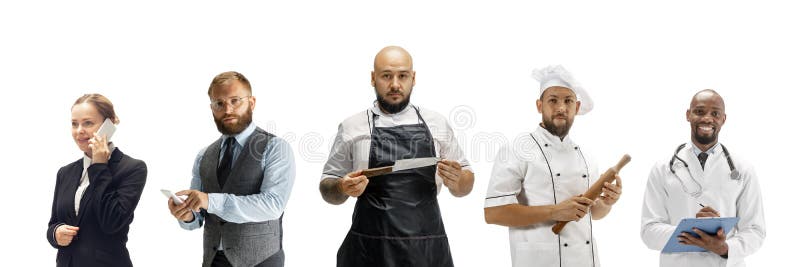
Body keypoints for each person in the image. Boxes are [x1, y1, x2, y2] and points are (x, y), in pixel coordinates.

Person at [318, 46, 475, 267]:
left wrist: (458, 180)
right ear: (373, 78)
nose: (394, 84)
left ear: (414, 78)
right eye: (386, 76)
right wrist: (342, 188)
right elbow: (327, 188)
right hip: (368, 251)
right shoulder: (352, 126)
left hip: (426, 251)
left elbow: (466, 185)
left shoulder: (437, 123)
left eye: (402, 76)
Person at [484, 65, 622, 266]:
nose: (561, 108)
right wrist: (554, 212)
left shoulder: (586, 156)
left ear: (577, 107)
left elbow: (594, 213)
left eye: (568, 101)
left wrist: (608, 203)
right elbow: (493, 213)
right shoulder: (516, 149)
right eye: (553, 100)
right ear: (539, 106)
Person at [167, 71, 295, 267]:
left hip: (261, 260)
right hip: (213, 260)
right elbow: (199, 214)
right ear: (211, 108)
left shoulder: (275, 147)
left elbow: (273, 205)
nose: (227, 109)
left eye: (235, 100)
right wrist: (187, 215)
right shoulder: (204, 155)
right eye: (219, 103)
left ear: (251, 103)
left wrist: (211, 200)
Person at [641, 89, 765, 266]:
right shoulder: (662, 168)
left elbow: (755, 230)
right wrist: (693, 233)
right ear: (688, 115)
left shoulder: (743, 169)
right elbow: (648, 232)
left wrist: (723, 247)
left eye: (715, 113)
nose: (707, 119)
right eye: (699, 111)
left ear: (723, 119)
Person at [46, 94, 147, 267]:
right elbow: (54, 223)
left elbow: (111, 222)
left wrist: (99, 166)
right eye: (74, 124)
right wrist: (55, 233)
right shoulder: (65, 173)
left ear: (109, 125)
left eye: (88, 123)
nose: (79, 130)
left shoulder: (132, 168)